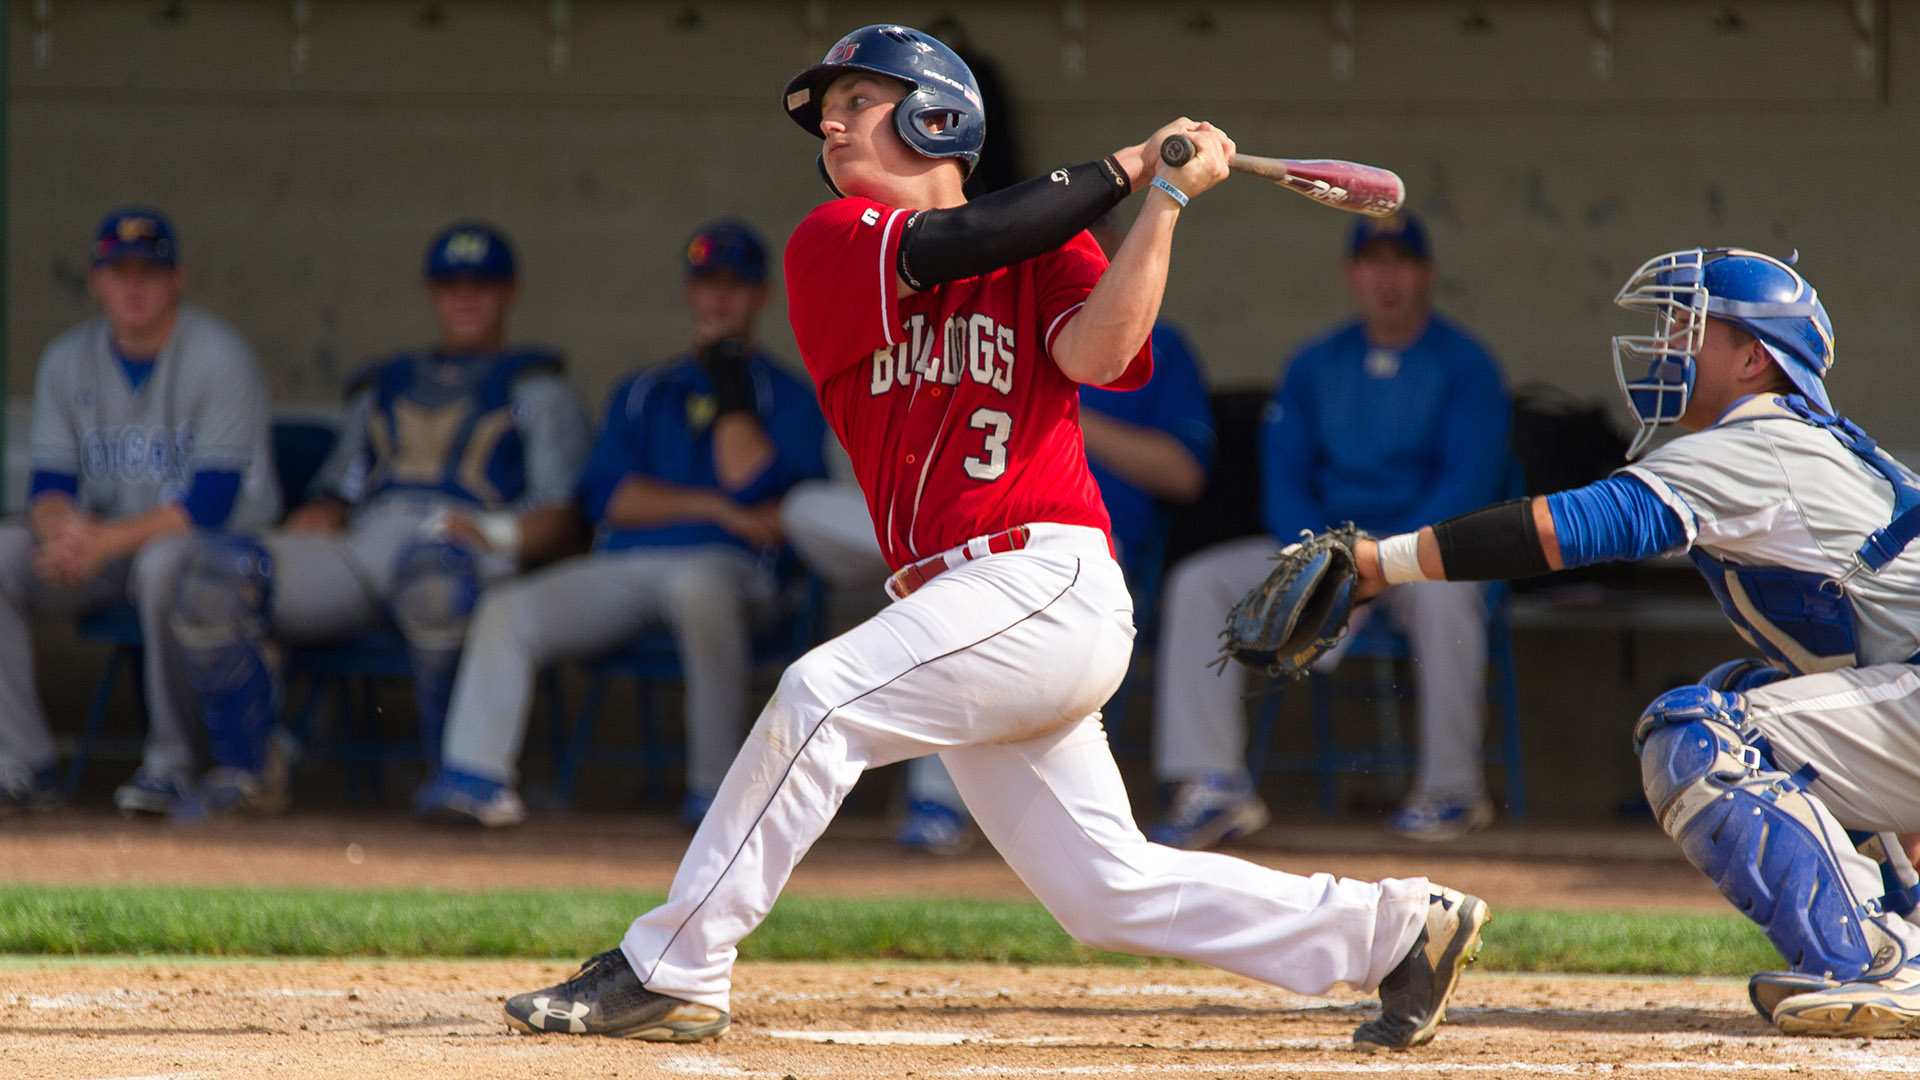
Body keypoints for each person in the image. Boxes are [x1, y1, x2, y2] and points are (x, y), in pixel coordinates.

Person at [502, 24, 1486, 1053]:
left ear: (939, 114)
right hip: (956, 607)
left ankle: (675, 966)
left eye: (856, 101)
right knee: (1108, 893)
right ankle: (1396, 932)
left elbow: (1103, 354)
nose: (830, 123)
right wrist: (1130, 165)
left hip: (1041, 575)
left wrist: (1166, 202)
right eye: (827, 111)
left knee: (818, 696)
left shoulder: (1057, 248)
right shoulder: (834, 241)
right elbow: (953, 245)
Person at [1341, 246, 1920, 1038]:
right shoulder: (1800, 442)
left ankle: (1881, 963)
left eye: (1690, 329)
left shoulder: (1758, 440)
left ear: (1754, 358)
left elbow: (1568, 528)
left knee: (1701, 734)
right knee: (1748, 695)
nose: (1666, 346)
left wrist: (1379, 562)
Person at [783, 210, 1216, 856]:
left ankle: (674, 950)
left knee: (842, 676)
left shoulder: (1139, 334)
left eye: (1100, 239)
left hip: (1058, 559)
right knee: (1111, 885)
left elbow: (1184, 474)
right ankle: (1383, 926)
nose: (1084, 251)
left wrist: (1054, 397)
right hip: (950, 549)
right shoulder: (975, 299)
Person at [167, 222, 589, 821]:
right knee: (215, 571)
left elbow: (568, 515)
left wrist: (493, 533)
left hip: (465, 548)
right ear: (430, 292)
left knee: (434, 583)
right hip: (368, 541)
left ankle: (455, 777)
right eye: (450, 284)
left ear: (510, 292)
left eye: (482, 284)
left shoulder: (539, 389)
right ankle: (253, 769)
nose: (465, 297)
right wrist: (325, 509)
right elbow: (346, 481)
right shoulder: (385, 384)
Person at [414, 220, 826, 829]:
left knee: (698, 591)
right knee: (508, 609)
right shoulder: (643, 390)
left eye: (735, 285)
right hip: (630, 563)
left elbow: (761, 492)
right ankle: (476, 779)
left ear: (762, 295)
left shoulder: (790, 392)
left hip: (733, 572)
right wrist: (714, 509)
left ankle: (716, 792)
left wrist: (728, 385)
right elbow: (607, 498)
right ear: (690, 291)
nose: (719, 298)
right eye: (708, 282)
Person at [1147, 211, 1512, 847]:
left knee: (1448, 596)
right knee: (1200, 581)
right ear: (1352, 274)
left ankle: (1451, 790)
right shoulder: (1316, 363)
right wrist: (1325, 561)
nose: (1387, 276)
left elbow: (1469, 486)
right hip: (1327, 548)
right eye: (1374, 261)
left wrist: (1380, 560)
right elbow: (1284, 476)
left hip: (1420, 551)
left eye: (1401, 261)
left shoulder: (1466, 364)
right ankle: (1214, 785)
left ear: (1425, 273)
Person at [0, 207, 279, 815]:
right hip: (106, 545)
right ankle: (20, 765)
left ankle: (171, 765)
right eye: (118, 271)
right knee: (4, 555)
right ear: (95, 281)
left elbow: (210, 502)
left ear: (176, 279)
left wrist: (101, 542)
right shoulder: (66, 360)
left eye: (148, 272)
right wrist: (62, 533)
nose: (133, 285)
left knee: (163, 564)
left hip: (215, 552)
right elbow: (48, 483)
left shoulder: (218, 356)